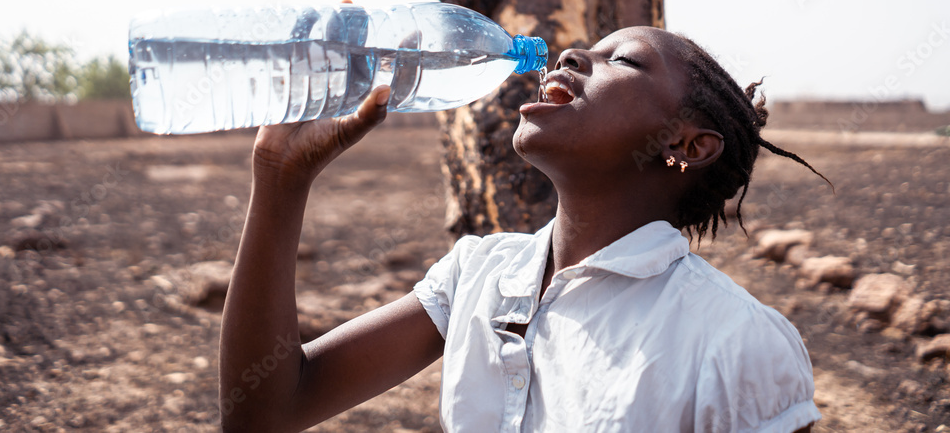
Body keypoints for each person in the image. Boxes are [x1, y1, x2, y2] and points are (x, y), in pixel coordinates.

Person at [219, 25, 828, 432]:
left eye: (622, 59)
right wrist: (279, 179)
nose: (569, 55)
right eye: (583, 49)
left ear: (686, 145)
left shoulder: (736, 343)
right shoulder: (477, 274)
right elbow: (265, 410)